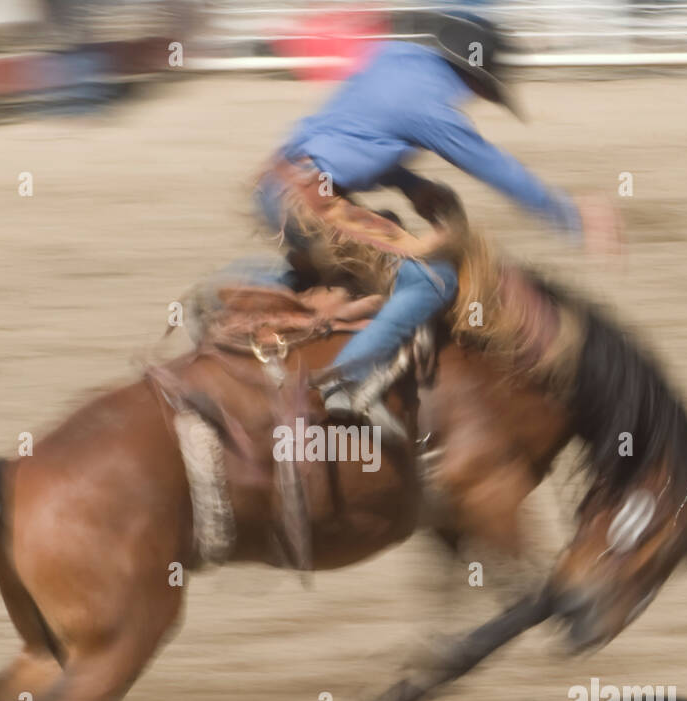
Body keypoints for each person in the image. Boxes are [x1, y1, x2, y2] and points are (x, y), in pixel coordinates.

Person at [253, 10, 620, 431]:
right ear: (474, 77)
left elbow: (353, 134)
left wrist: (411, 184)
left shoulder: (390, 61)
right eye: (481, 89)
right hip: (309, 203)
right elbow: (494, 168)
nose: (475, 96)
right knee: (433, 278)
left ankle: (253, 285)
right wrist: (571, 216)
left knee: (369, 249)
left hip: (279, 185)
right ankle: (345, 382)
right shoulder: (432, 108)